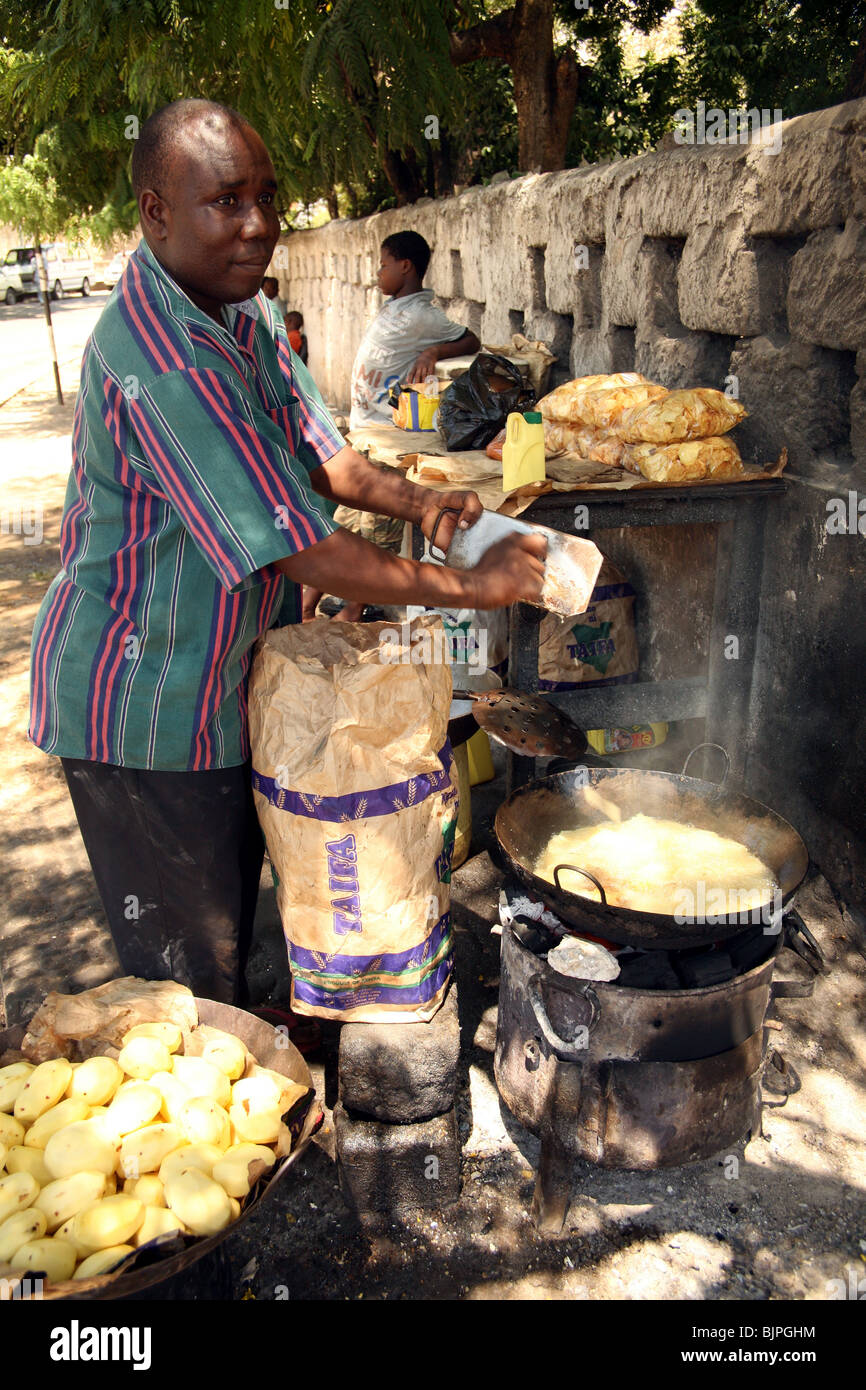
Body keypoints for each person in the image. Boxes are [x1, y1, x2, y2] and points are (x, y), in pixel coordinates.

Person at [28, 98, 545, 1013]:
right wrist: (471, 584)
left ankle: (259, 1040)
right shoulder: (162, 358)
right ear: (155, 212)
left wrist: (428, 505)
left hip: (226, 682)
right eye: (226, 202)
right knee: (189, 969)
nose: (258, 225)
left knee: (244, 917)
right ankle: (214, 1117)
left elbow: (330, 456)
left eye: (267, 198)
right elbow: (301, 549)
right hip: (145, 710)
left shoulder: (243, 311)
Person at [349, 230, 480, 429]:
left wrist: (434, 352)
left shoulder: (422, 315)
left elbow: (471, 340)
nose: (378, 273)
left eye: (384, 265)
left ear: (404, 266)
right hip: (365, 421)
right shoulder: (395, 305)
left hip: (385, 426)